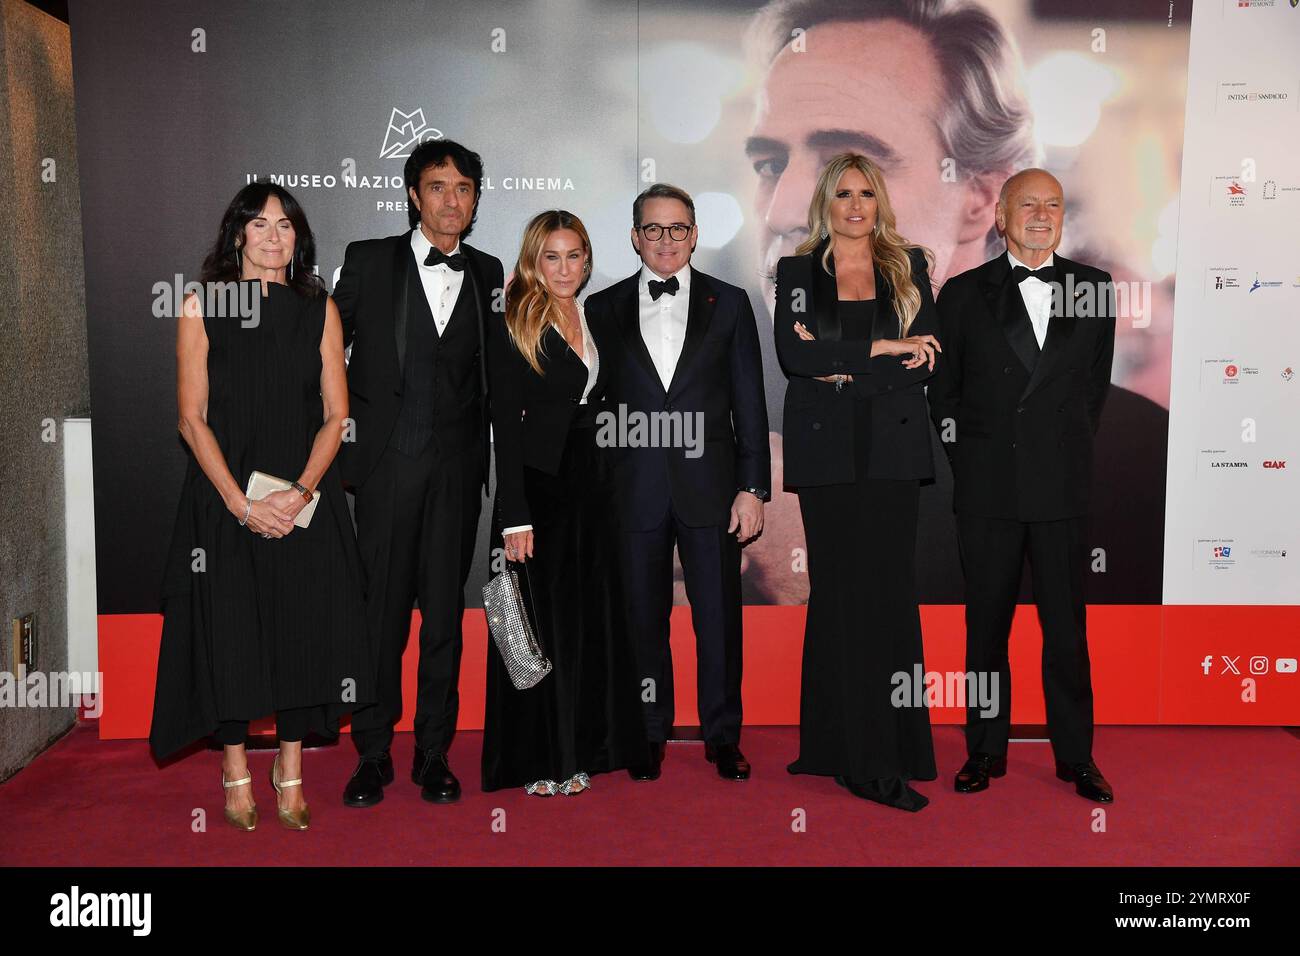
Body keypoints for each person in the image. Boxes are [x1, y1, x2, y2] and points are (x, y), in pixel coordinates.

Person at [740, 0, 1168, 606]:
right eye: (770, 163)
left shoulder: (1121, 461)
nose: (782, 210)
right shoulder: (712, 423)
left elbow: (1135, 693)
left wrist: (820, 580)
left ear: (980, 196)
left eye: (846, 161)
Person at [150, 181, 373, 832]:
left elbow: (338, 416)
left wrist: (299, 491)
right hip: (223, 503)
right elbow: (192, 420)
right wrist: (240, 505)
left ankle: (292, 769)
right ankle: (235, 769)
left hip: (303, 499)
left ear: (298, 239)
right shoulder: (202, 306)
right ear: (237, 234)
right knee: (233, 637)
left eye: (286, 225)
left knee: (300, 635)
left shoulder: (318, 309)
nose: (274, 236)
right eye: (260, 223)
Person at [927, 168, 1116, 803]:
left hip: (1061, 489)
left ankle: (1077, 757)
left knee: (1067, 630)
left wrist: (1061, 455)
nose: (1041, 214)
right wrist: (975, 462)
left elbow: (1093, 392)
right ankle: (984, 750)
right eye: (1027, 204)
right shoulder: (961, 293)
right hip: (987, 491)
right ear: (1001, 216)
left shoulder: (1095, 290)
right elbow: (944, 395)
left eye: (1053, 204)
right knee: (986, 630)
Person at [333, 140, 504, 808]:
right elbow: (325, 347)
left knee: (443, 619)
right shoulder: (370, 261)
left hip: (457, 474)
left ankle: (434, 753)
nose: (452, 201)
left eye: (464, 189)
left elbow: (503, 374)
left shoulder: (490, 272)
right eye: (438, 187)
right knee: (381, 619)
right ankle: (372, 753)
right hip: (384, 469)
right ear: (413, 194)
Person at [585, 183, 770, 782]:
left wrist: (753, 486)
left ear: (695, 234)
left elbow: (750, 401)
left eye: (678, 228)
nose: (666, 240)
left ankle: (722, 736)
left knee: (718, 617)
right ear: (635, 237)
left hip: (712, 489)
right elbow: (592, 406)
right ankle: (647, 733)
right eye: (654, 229)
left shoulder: (732, 303)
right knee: (642, 617)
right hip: (631, 488)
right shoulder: (602, 308)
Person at [774, 154, 940, 811]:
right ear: (826, 200)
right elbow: (794, 356)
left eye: (866, 192)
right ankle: (848, 755)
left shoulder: (910, 265)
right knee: (839, 597)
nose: (854, 204)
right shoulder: (797, 270)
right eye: (842, 192)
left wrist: (838, 364)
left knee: (888, 599)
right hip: (827, 461)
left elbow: (925, 357)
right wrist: (877, 350)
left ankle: (894, 745)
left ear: (880, 200)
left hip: (893, 456)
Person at [482, 211, 649, 796]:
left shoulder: (596, 314)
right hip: (540, 490)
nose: (563, 268)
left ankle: (586, 747)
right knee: (538, 627)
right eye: (551, 257)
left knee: (586, 623)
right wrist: (514, 515)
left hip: (596, 491)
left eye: (573, 255)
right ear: (533, 260)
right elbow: (504, 423)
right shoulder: (514, 323)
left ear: (587, 258)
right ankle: (540, 758)